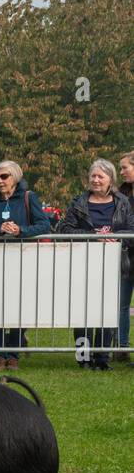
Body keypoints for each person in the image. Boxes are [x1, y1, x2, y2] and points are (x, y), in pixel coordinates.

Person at [60, 158, 134, 371]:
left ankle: (102, 358)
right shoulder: (78, 202)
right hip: (84, 264)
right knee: (83, 312)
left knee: (107, 312)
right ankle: (83, 357)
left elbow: (130, 230)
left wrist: (113, 236)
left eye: (100, 176)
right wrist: (93, 235)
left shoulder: (122, 202)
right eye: (93, 176)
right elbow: (65, 229)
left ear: (110, 179)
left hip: (115, 264)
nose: (96, 180)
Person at [0, 161, 50, 370]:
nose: (0, 181)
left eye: (4, 177)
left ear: (15, 177)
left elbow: (44, 224)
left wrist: (20, 230)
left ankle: (13, 354)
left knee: (19, 306)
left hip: (23, 258)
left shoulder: (29, 197)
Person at [116, 151, 134, 362]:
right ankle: (122, 347)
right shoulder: (121, 194)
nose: (121, 172)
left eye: (124, 167)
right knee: (121, 304)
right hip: (124, 256)